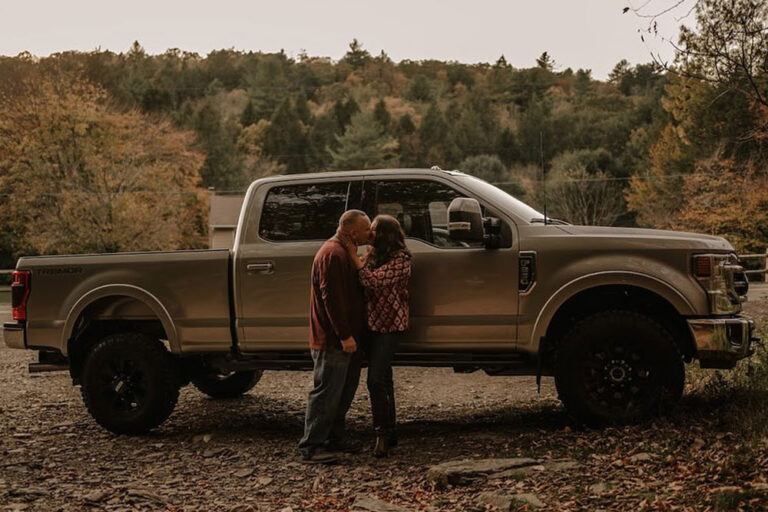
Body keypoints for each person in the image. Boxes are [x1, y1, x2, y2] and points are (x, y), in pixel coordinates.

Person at [298, 210, 371, 464]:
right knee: (326, 392)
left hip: (345, 339)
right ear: (352, 232)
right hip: (333, 340)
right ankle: (312, 446)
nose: (370, 233)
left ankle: (334, 438)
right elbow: (332, 300)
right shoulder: (332, 254)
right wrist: (344, 335)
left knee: (343, 391)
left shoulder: (345, 252)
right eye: (366, 230)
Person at [341, 215, 412, 458]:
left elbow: (372, 281)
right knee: (384, 379)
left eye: (373, 231)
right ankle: (390, 432)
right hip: (372, 324)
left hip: (391, 326)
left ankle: (381, 434)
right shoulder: (372, 255)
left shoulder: (402, 260)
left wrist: (352, 255)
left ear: (384, 235)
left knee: (375, 380)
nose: (369, 235)